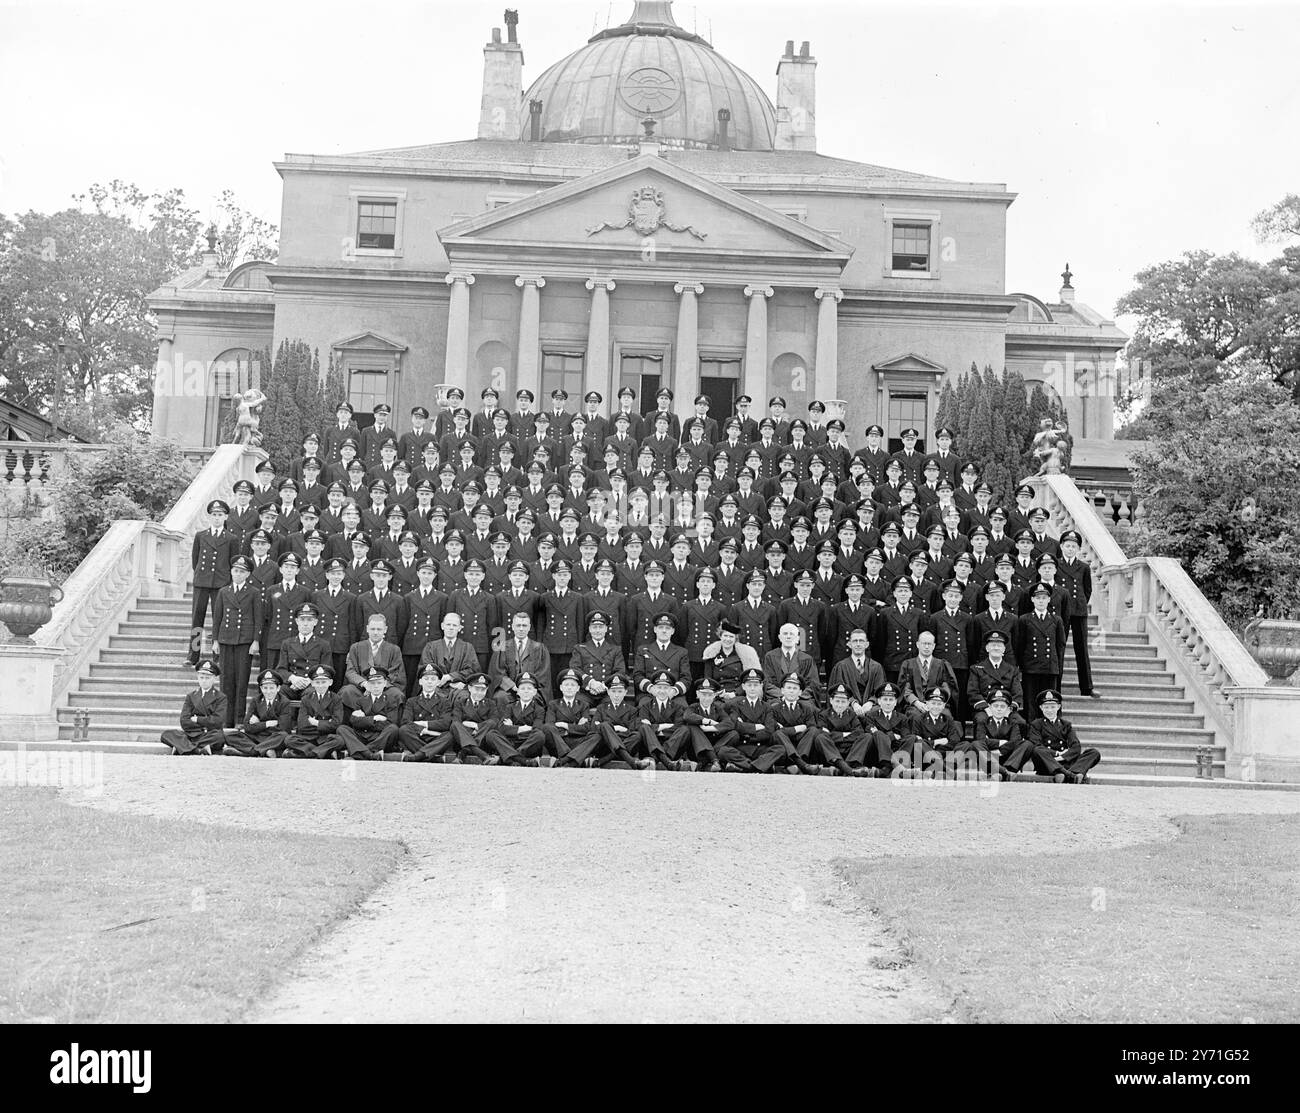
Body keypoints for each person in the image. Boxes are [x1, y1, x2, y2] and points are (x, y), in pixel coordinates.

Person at [212, 555, 263, 727]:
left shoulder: (254, 592)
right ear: (231, 572)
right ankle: (226, 720)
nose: (238, 574)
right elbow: (217, 617)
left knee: (242, 682)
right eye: (235, 571)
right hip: (226, 639)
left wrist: (255, 641)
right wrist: (215, 641)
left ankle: (239, 719)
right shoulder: (223, 591)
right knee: (226, 680)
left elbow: (258, 618)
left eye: (242, 572)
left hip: (244, 641)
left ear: (248, 574)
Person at [1010, 690, 1100, 783]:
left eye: (1053, 707)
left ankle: (1073, 772)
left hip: (1065, 761)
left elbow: (1076, 746)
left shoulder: (1066, 725)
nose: (1050, 710)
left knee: (1094, 753)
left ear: (1058, 707)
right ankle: (1072, 775)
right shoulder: (1036, 724)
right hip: (1047, 763)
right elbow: (1037, 745)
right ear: (1041, 708)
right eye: (1046, 707)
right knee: (1037, 750)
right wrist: (1056, 753)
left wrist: (1063, 757)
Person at [188, 499, 235, 666]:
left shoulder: (231, 538)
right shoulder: (201, 536)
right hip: (202, 581)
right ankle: (193, 655)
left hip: (221, 583)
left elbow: (233, 562)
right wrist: (201, 575)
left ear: (226, 517)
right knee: (197, 619)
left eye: (220, 515)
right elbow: (195, 560)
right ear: (210, 516)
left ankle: (218, 656)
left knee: (219, 619)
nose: (216, 518)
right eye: (214, 515)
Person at [1056, 529, 1098, 697]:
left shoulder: (1084, 567)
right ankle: (1055, 686)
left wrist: (1079, 604)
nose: (1071, 549)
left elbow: (1087, 590)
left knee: (1082, 649)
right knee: (1059, 647)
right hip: (1061, 611)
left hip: (1079, 611)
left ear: (1078, 548)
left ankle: (1087, 687)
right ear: (1062, 546)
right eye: (1068, 546)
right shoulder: (1056, 565)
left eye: (1074, 546)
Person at [1018, 582, 1067, 715]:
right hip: (1030, 667)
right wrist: (1022, 666)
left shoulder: (1056, 620)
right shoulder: (1024, 619)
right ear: (1032, 599)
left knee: (1049, 701)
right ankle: (1031, 731)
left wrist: (1057, 667)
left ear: (1049, 599)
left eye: (1044, 598)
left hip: (1049, 667)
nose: (1041, 601)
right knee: (1030, 702)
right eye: (1038, 598)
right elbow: (1020, 645)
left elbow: (1060, 646)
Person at [160, 661, 229, 755]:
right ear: (197, 678)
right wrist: (206, 722)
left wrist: (197, 719)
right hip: (191, 734)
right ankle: (198, 750)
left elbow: (218, 721)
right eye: (201, 677)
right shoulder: (191, 696)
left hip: (208, 734)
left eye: (207, 678)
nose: (204, 681)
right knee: (167, 734)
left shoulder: (220, 697)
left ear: (214, 679)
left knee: (219, 737)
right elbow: (184, 721)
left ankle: (185, 747)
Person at [334, 665, 402, 760]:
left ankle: (361, 751)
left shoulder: (391, 700)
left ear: (385, 683)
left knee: (393, 729)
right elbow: (354, 722)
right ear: (368, 685)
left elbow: (390, 723)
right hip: (362, 735)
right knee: (342, 729)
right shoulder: (361, 700)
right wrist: (374, 718)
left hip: (379, 737)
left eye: (379, 683)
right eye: (372, 683)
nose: (376, 686)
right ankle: (369, 754)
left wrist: (364, 720)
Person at [488, 609, 553, 706]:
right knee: (500, 697)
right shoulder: (502, 647)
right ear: (512, 627)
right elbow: (498, 673)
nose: (521, 629)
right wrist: (513, 686)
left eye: (524, 625)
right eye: (518, 625)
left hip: (531, 689)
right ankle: (504, 721)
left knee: (536, 698)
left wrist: (527, 688)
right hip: (510, 690)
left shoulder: (539, 648)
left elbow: (543, 675)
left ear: (529, 627)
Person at [224, 669, 294, 757]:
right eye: (265, 688)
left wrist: (258, 724)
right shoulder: (256, 700)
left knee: (284, 736)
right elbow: (247, 726)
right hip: (257, 737)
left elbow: (284, 728)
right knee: (230, 736)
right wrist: (267, 724)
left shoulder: (284, 702)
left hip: (273, 738)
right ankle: (262, 750)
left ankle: (249, 751)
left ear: (278, 688)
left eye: (271, 688)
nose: (268, 691)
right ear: (261, 688)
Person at [396, 663, 457, 762]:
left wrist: (423, 724)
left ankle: (419, 755)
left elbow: (445, 723)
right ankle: (433, 756)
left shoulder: (444, 701)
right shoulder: (412, 701)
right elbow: (406, 722)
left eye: (433, 679)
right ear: (420, 682)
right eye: (426, 679)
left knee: (449, 735)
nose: (429, 682)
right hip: (418, 737)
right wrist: (425, 731)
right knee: (403, 730)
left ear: (438, 682)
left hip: (436, 738)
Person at [534, 668, 595, 766]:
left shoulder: (584, 705)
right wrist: (575, 727)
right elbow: (550, 725)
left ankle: (564, 760)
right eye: (566, 685)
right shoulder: (553, 704)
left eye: (573, 685)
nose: (569, 688)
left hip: (576, 742)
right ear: (561, 687)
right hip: (559, 742)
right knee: (546, 728)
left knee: (595, 735)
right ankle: (569, 756)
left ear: (578, 688)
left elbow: (586, 728)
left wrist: (565, 725)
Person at [670, 676, 729, 771]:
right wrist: (708, 721)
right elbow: (687, 716)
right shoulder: (693, 707)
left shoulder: (718, 708)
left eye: (710, 695)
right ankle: (714, 760)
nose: (706, 698)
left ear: (714, 696)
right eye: (703, 695)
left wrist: (710, 728)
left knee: (733, 734)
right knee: (692, 726)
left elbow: (729, 723)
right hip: (696, 750)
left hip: (713, 744)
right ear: (697, 694)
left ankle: (709, 762)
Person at [855, 682, 914, 777]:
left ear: (895, 702)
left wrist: (888, 736)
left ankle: (888, 769)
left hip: (897, 751)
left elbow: (905, 737)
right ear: (879, 701)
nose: (888, 702)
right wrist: (892, 735)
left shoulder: (902, 718)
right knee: (878, 734)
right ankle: (892, 766)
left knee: (911, 738)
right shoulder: (871, 716)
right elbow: (872, 733)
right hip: (878, 755)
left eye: (891, 700)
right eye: (885, 699)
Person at [283, 664, 342, 757]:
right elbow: (302, 724)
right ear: (312, 683)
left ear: (330, 682)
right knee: (288, 739)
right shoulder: (306, 699)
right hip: (307, 737)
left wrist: (315, 722)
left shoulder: (336, 699)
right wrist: (325, 723)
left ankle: (306, 753)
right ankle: (322, 752)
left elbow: (336, 723)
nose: (320, 685)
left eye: (323, 682)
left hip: (325, 737)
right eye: (317, 682)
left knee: (339, 740)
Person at [342, 614, 406, 699]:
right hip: (361, 688)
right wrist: (365, 684)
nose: (375, 632)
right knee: (347, 691)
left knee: (397, 695)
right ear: (367, 629)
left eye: (379, 629)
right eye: (372, 629)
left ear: (385, 629)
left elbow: (395, 674)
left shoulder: (394, 650)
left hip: (384, 688)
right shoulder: (356, 648)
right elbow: (350, 672)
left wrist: (377, 685)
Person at [569, 610, 625, 704]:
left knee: (611, 709)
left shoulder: (615, 649)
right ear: (590, 629)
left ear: (606, 629)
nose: (598, 630)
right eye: (594, 627)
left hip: (607, 691)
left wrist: (604, 685)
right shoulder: (579, 648)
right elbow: (575, 669)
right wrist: (591, 683)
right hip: (586, 691)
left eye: (601, 627)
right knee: (578, 706)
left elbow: (620, 671)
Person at [899, 630, 959, 719]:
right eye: (924, 643)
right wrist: (916, 702)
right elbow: (905, 689)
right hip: (915, 706)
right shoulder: (908, 664)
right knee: (914, 716)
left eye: (929, 644)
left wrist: (935, 704)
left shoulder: (942, 665)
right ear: (917, 644)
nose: (927, 647)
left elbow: (946, 688)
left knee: (946, 716)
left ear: (934, 646)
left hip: (937, 704)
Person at [637, 670, 689, 771]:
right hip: (650, 746)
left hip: (670, 746)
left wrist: (655, 729)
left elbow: (678, 727)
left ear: (670, 690)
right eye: (659, 687)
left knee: (685, 730)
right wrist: (663, 726)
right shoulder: (645, 706)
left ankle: (659, 757)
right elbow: (643, 727)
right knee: (644, 728)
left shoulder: (678, 707)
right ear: (654, 689)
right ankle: (666, 761)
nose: (662, 691)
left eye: (666, 688)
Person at [813, 684, 866, 776]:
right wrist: (845, 735)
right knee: (820, 738)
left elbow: (859, 733)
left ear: (848, 702)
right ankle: (847, 769)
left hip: (849, 750)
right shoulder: (824, 715)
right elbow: (823, 733)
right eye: (837, 701)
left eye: (843, 701)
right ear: (831, 701)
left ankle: (845, 766)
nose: (840, 705)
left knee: (867, 737)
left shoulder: (852, 715)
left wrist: (834, 735)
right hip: (832, 750)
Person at [762, 622, 819, 701]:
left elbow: (813, 684)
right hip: (777, 698)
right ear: (779, 637)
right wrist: (783, 695)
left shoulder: (807, 659)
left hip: (800, 699)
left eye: (791, 634)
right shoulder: (770, 657)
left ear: (798, 638)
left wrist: (797, 695)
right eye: (785, 634)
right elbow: (767, 683)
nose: (788, 637)